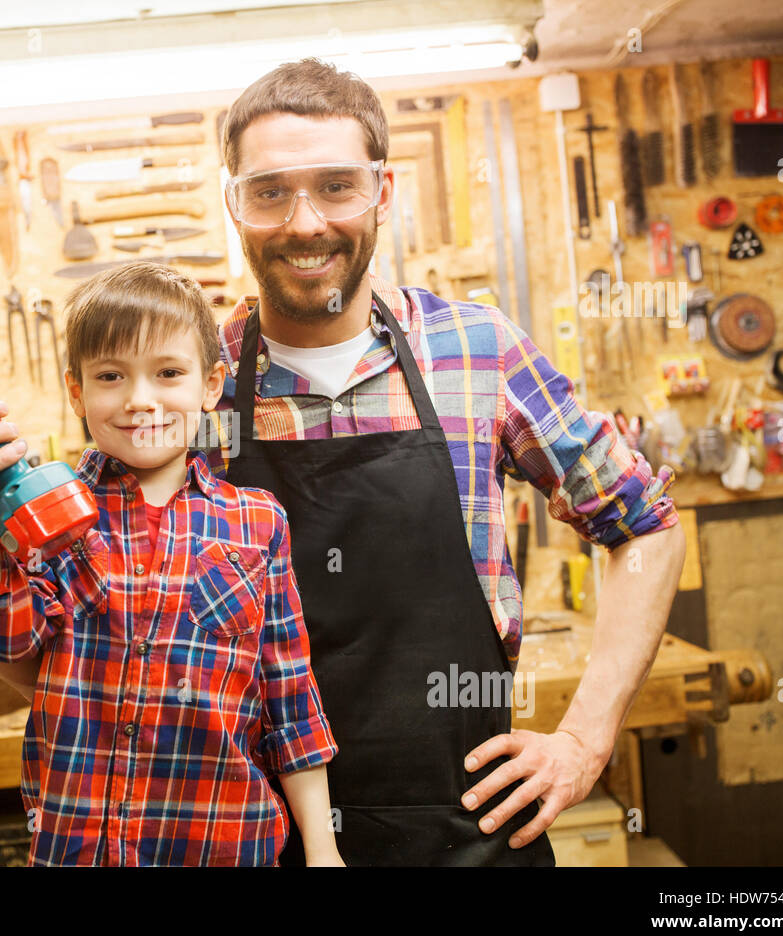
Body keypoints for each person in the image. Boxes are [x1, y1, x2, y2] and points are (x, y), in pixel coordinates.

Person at [196, 58, 686, 865]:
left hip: (467, 832)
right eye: (270, 191)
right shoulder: (191, 387)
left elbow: (647, 527)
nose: (305, 220)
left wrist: (584, 740)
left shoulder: (478, 351)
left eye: (336, 185)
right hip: (255, 839)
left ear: (383, 192)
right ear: (234, 202)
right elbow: (85, 604)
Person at [0, 262, 342, 866]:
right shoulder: (50, 516)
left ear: (211, 384)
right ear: (76, 391)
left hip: (224, 842)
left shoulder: (257, 523)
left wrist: (323, 851)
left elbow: (291, 700)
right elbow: (9, 637)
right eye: (111, 376)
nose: (141, 400)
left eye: (168, 373)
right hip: (79, 848)